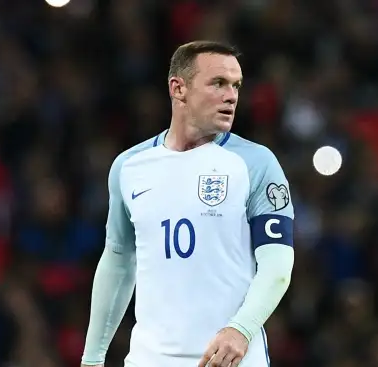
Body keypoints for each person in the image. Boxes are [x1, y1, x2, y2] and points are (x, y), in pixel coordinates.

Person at [80, 40, 295, 367]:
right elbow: (118, 260)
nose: (232, 95)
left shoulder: (256, 163)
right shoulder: (129, 166)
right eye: (218, 83)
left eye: (236, 85)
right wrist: (92, 358)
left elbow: (278, 264)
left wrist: (241, 329)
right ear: (178, 88)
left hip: (230, 359)